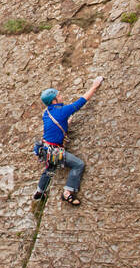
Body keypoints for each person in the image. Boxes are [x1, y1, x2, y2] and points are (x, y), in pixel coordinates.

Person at [33, 75, 104, 205]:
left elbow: (54, 126)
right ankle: (68, 192)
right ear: (54, 101)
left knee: (51, 168)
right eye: (59, 96)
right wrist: (94, 86)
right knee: (78, 164)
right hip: (53, 150)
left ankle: (40, 190)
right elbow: (81, 102)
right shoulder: (62, 111)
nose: (61, 97)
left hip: (45, 148)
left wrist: (66, 123)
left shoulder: (47, 113)